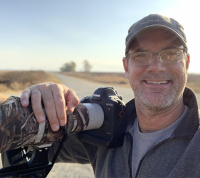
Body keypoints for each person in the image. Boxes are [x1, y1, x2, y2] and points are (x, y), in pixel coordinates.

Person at [20, 14, 200, 177]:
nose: (156, 66)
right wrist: (39, 103)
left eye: (170, 54)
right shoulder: (105, 129)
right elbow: (33, 145)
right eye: (141, 55)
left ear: (186, 63)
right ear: (126, 67)